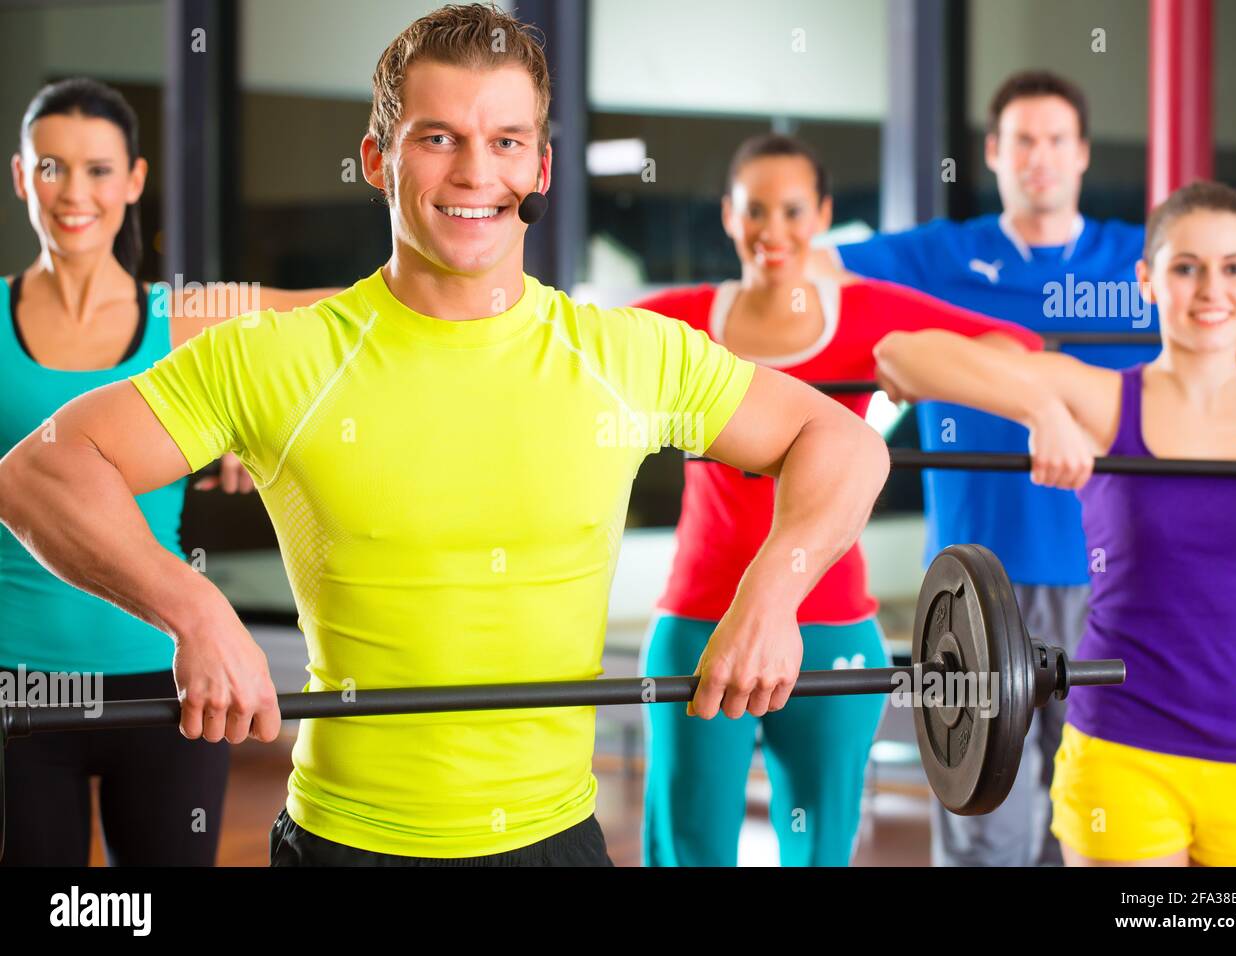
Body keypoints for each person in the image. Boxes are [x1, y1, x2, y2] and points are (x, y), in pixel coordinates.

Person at [0, 5, 889, 867]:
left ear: (540, 167)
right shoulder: (282, 358)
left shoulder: (627, 354)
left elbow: (843, 441)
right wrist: (191, 610)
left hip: (556, 841)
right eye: (438, 138)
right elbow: (39, 473)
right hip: (344, 846)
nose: (475, 173)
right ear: (377, 159)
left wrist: (775, 592)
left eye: (505, 141)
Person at [813, 70, 1236, 867]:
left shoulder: (1142, 265)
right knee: (985, 825)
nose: (1210, 287)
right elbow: (873, 326)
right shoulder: (952, 260)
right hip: (985, 586)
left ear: (1082, 154)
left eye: (1232, 270)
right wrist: (1038, 406)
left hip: (1114, 591)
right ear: (997, 153)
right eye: (1023, 141)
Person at [632, 134, 1041, 867]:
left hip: (833, 629)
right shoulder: (684, 318)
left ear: (821, 214)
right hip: (699, 619)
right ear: (730, 216)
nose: (773, 230)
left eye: (793, 209)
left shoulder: (865, 312)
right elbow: (566, 342)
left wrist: (921, 363)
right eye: (754, 210)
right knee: (686, 849)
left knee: (818, 848)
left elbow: (1012, 347)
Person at [0, 78, 337, 867]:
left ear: (136, 181)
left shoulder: (190, 321)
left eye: (98, 169)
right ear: (21, 176)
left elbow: (353, 320)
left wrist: (249, 414)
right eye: (51, 168)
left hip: (174, 683)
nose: (73, 192)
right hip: (16, 686)